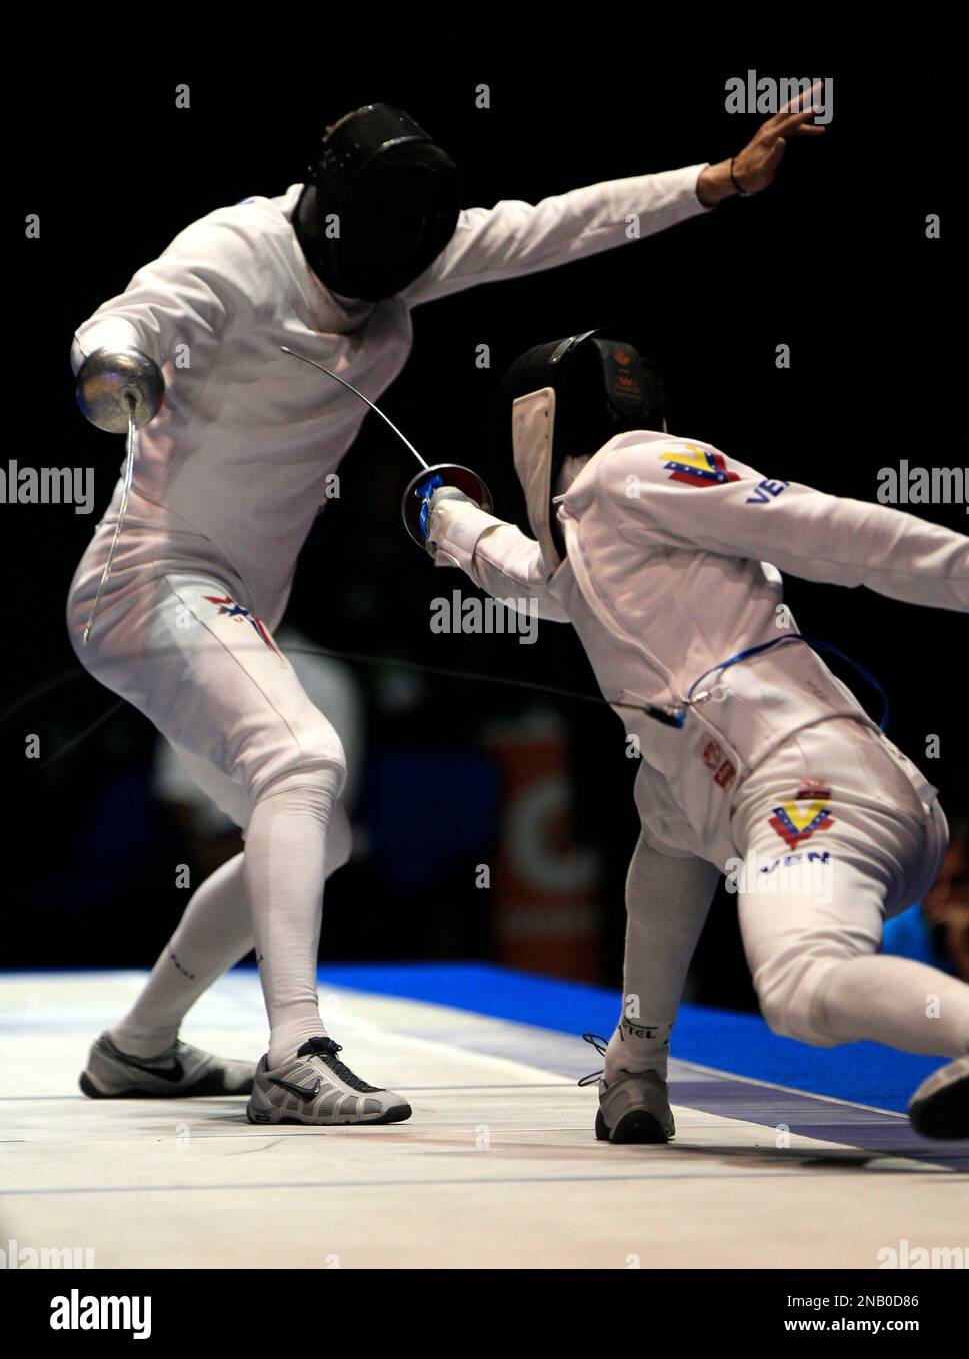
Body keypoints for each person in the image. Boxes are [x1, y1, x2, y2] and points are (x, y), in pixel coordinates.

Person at [68, 97, 823, 1127]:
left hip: (233, 601)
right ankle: (295, 1049)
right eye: (381, 237)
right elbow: (130, 318)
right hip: (147, 580)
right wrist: (115, 370)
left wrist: (715, 181)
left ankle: (139, 1048)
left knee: (312, 835)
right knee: (303, 761)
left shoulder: (405, 254)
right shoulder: (237, 249)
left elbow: (558, 223)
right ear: (334, 209)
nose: (398, 265)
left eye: (413, 243)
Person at [419, 329, 969, 1142]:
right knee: (668, 813)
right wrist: (445, 516)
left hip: (808, 787)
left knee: (797, 990)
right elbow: (533, 576)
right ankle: (634, 1068)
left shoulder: (628, 468)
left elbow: (828, 530)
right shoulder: (598, 534)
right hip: (789, 791)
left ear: (536, 425)